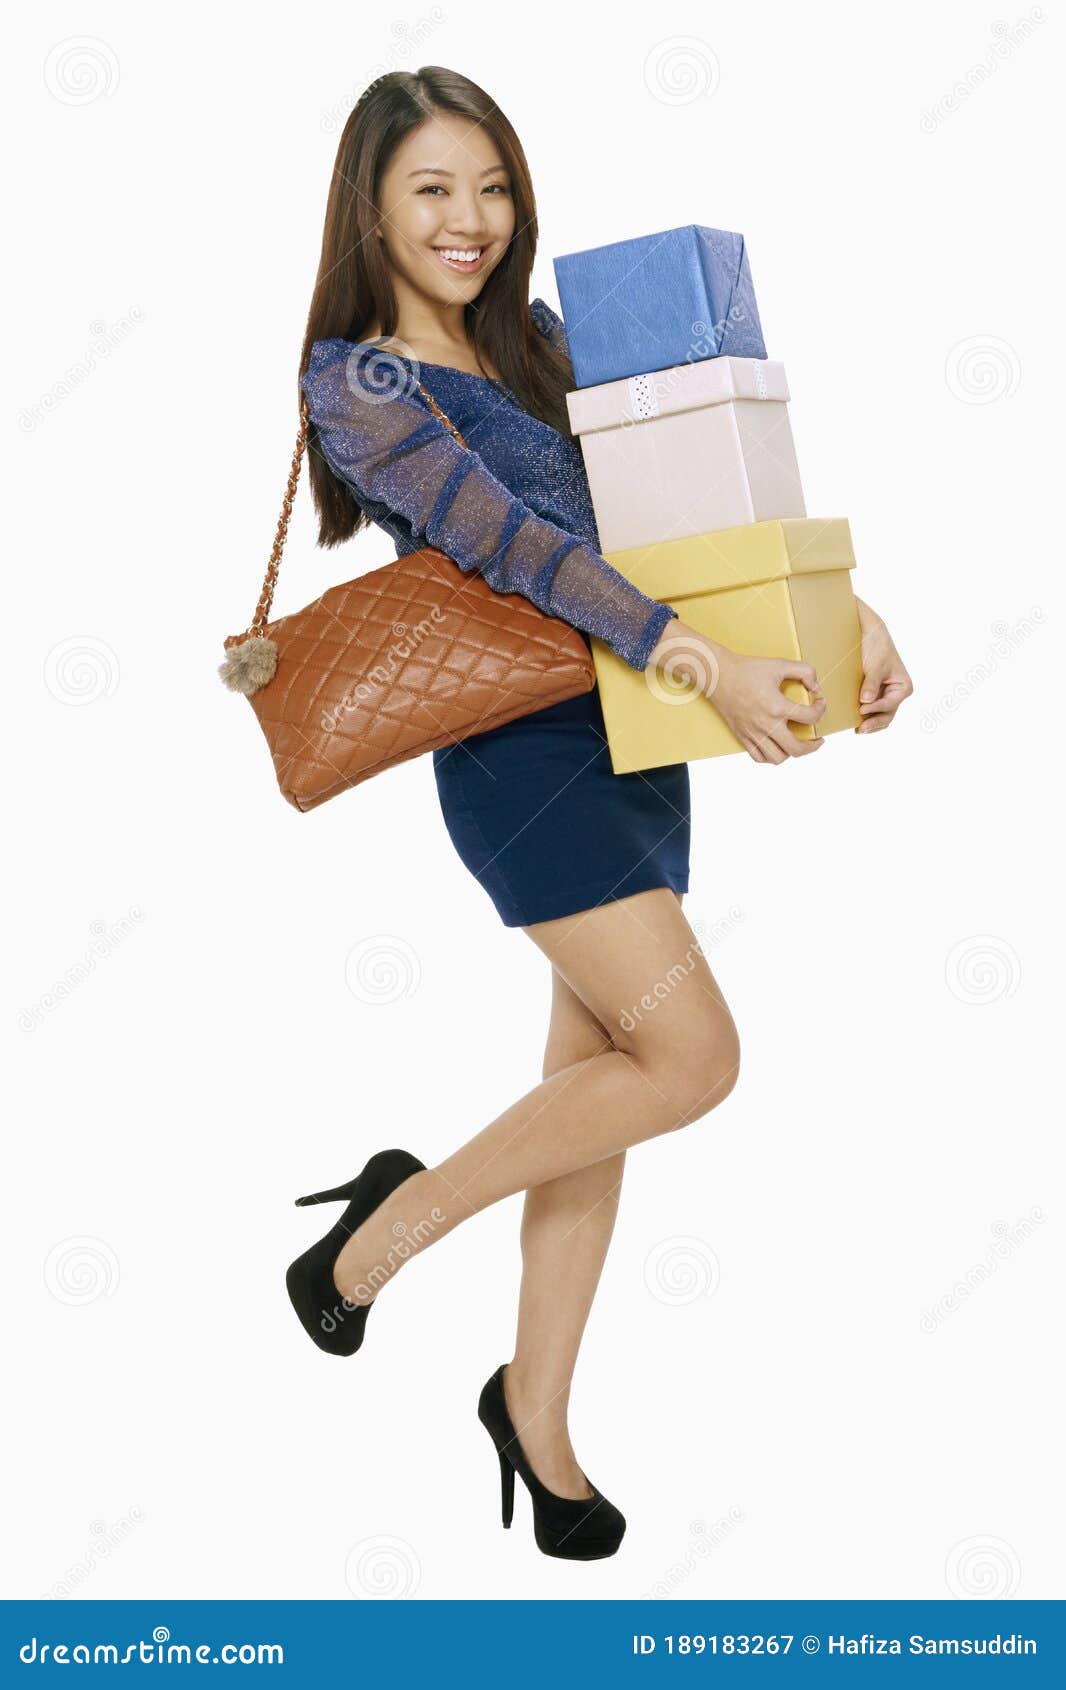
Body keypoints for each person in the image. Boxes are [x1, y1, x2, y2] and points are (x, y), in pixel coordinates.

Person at [286, 65, 914, 1561]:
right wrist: (708, 659)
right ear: (369, 200)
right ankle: (372, 1243)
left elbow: (673, 519)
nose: (470, 221)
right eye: (433, 187)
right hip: (524, 761)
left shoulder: (539, 343)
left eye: (491, 187)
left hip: (639, 729)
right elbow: (522, 553)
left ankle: (536, 1409)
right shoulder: (358, 384)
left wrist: (838, 613)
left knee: (600, 1101)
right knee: (691, 1057)